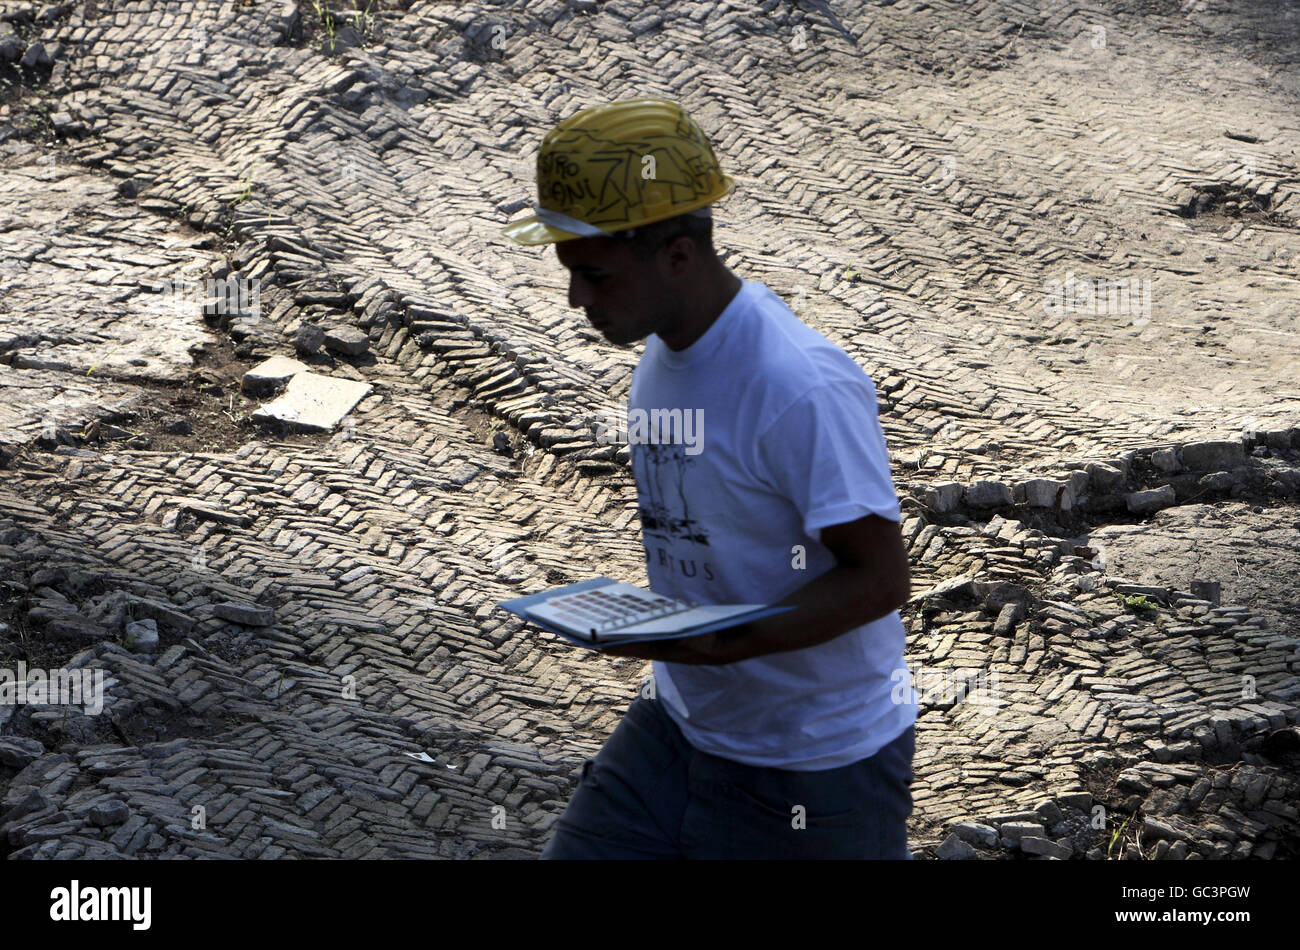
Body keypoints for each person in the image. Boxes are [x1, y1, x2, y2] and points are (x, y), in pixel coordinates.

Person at [502, 98, 918, 859]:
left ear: (678, 257)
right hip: (677, 729)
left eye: (593, 275)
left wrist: (729, 644)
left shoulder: (798, 386)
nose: (576, 300)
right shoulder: (663, 357)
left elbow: (881, 579)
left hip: (814, 769)